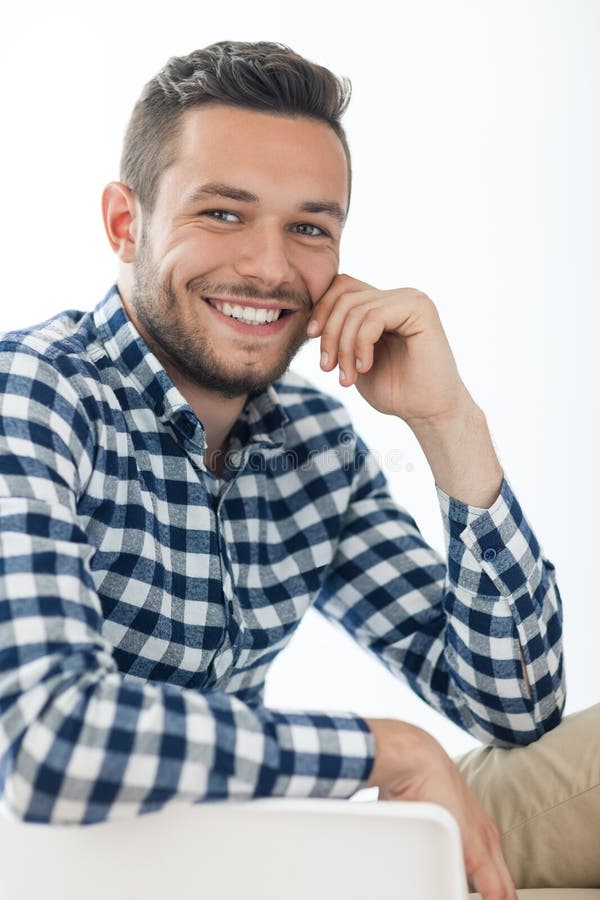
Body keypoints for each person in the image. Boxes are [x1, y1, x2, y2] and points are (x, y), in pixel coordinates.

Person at [0, 39, 597, 899]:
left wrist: (449, 422)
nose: (272, 269)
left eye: (309, 227)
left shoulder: (310, 442)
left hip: (251, 856)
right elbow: (49, 744)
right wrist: (382, 748)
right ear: (125, 223)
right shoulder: (32, 395)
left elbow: (515, 711)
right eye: (224, 214)